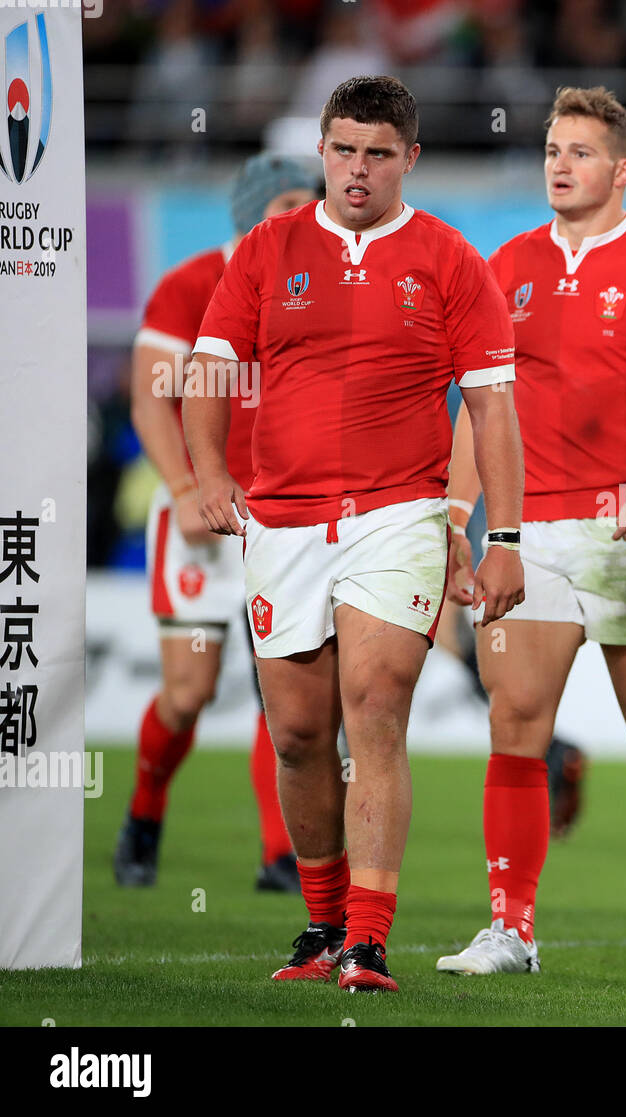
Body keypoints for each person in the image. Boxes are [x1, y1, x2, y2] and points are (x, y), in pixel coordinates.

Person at [184, 75, 526, 993]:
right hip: (284, 520)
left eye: (378, 152)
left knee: (375, 707)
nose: (357, 169)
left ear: (409, 158)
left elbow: (492, 410)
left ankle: (369, 941)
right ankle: (323, 924)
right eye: (342, 150)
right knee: (297, 734)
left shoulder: (451, 259)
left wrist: (507, 536)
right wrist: (211, 475)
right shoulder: (267, 249)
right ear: (322, 154)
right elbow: (210, 368)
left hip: (398, 514)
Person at [435, 86, 626, 976]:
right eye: (553, 149)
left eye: (581, 152)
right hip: (533, 532)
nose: (559, 164)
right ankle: (511, 928)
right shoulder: (503, 263)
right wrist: (454, 515)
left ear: (622, 169)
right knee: (516, 722)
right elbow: (484, 409)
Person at [114, 154, 319, 892]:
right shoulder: (191, 285)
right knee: (188, 693)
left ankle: (280, 854)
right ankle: (143, 813)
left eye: (310, 202)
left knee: (285, 686)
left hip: (283, 518)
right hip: (200, 514)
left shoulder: (314, 289)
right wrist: (185, 487)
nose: (304, 215)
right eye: (291, 201)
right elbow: (148, 399)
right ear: (253, 211)